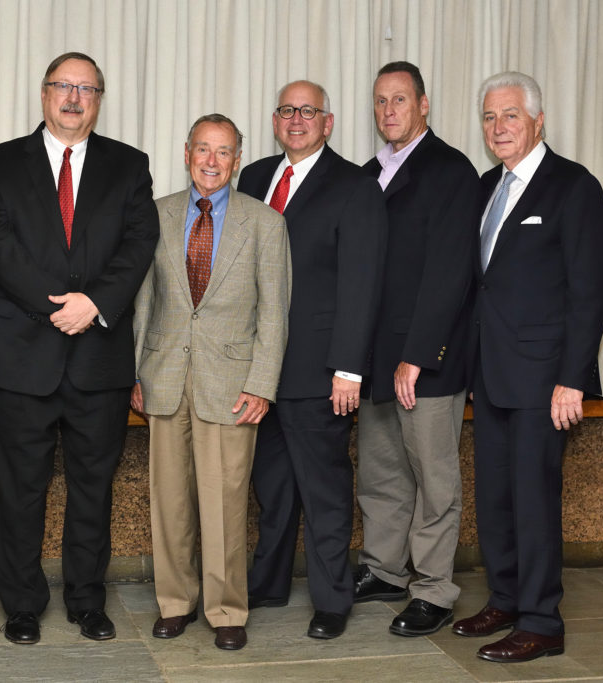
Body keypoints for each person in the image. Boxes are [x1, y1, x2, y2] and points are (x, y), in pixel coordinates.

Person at [0, 52, 159, 645]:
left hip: (98, 358)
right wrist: (58, 306)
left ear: (99, 99)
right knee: (21, 488)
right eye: (64, 86)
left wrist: (94, 304)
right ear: (44, 93)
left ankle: (87, 600)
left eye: (87, 88)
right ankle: (22, 604)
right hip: (21, 354)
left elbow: (139, 244)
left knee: (92, 488)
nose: (74, 98)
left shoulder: (129, 166)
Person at [452, 71, 603, 663]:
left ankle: (543, 621)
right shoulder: (488, 185)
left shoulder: (573, 186)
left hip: (546, 380)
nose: (499, 127)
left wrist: (572, 377)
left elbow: (589, 291)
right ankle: (507, 598)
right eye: (490, 117)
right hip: (490, 373)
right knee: (496, 496)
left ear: (538, 121)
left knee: (535, 497)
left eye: (510, 115)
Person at [132, 113, 291, 651]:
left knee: (224, 502)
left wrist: (262, 384)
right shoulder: (158, 215)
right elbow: (144, 300)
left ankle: (226, 610)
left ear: (237, 160)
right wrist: (137, 371)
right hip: (165, 377)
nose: (212, 161)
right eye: (203, 149)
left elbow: (274, 313)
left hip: (231, 385)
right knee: (169, 499)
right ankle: (174, 603)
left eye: (224, 152)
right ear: (186, 152)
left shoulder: (264, 222)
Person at [238, 81, 387, 639]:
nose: (296, 119)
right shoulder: (253, 178)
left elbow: (362, 282)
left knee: (324, 491)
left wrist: (349, 368)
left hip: (318, 369)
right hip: (257, 369)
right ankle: (270, 582)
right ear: (275, 120)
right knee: (271, 484)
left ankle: (332, 598)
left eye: (309, 111)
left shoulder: (355, 185)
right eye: (286, 110)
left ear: (327, 122)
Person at [354, 61, 481, 637]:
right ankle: (384, 569)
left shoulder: (452, 170)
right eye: (381, 101)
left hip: (425, 360)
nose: (389, 111)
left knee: (433, 478)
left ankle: (433, 589)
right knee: (381, 472)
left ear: (424, 105)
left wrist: (419, 352)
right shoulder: (366, 173)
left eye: (399, 100)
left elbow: (451, 272)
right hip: (374, 358)